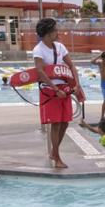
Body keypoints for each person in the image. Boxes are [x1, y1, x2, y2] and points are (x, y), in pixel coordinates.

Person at [32, 18, 85, 170]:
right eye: (55, 30)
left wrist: (77, 84)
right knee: (55, 124)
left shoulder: (60, 47)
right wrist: (55, 90)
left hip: (64, 89)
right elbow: (40, 72)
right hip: (50, 91)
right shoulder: (39, 50)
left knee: (65, 122)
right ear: (48, 34)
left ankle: (54, 153)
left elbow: (71, 65)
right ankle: (57, 157)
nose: (58, 32)